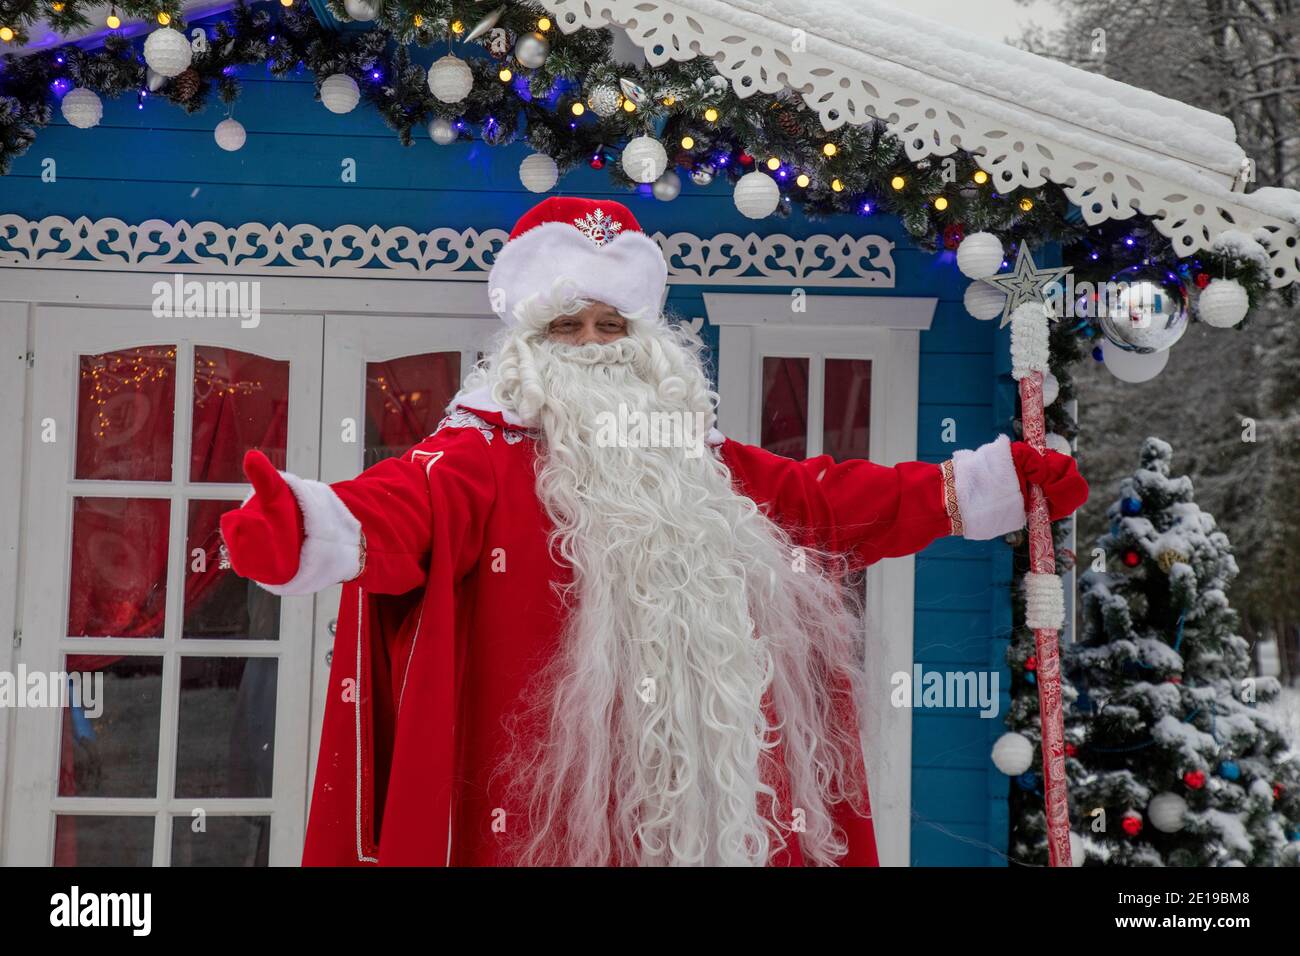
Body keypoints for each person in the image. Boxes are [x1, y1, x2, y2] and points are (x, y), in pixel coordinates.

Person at [219, 196, 1087, 867]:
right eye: (568, 325)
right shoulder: (477, 456)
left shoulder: (703, 461)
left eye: (612, 325)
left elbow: (824, 504)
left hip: (703, 804)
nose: (594, 345)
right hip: (537, 806)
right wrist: (309, 524)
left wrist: (982, 487)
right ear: (528, 340)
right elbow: (400, 505)